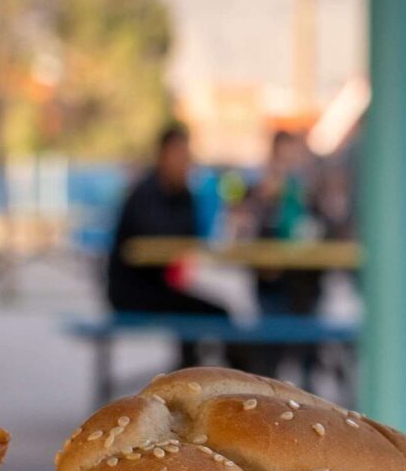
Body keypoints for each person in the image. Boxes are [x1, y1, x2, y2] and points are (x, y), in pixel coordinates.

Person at [108, 122, 232, 366]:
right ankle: (202, 379)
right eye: (179, 154)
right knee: (213, 314)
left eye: (187, 155)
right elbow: (154, 242)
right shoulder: (145, 193)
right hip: (132, 291)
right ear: (162, 155)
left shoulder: (183, 193)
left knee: (213, 313)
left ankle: (207, 377)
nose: (185, 161)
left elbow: (194, 237)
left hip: (159, 287)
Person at [237, 129, 327, 385]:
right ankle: (267, 392)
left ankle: (308, 392)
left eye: (294, 157)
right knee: (270, 344)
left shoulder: (307, 195)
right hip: (273, 288)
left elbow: (324, 233)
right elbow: (246, 241)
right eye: (283, 158)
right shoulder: (261, 195)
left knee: (307, 333)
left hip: (305, 286)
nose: (289, 166)